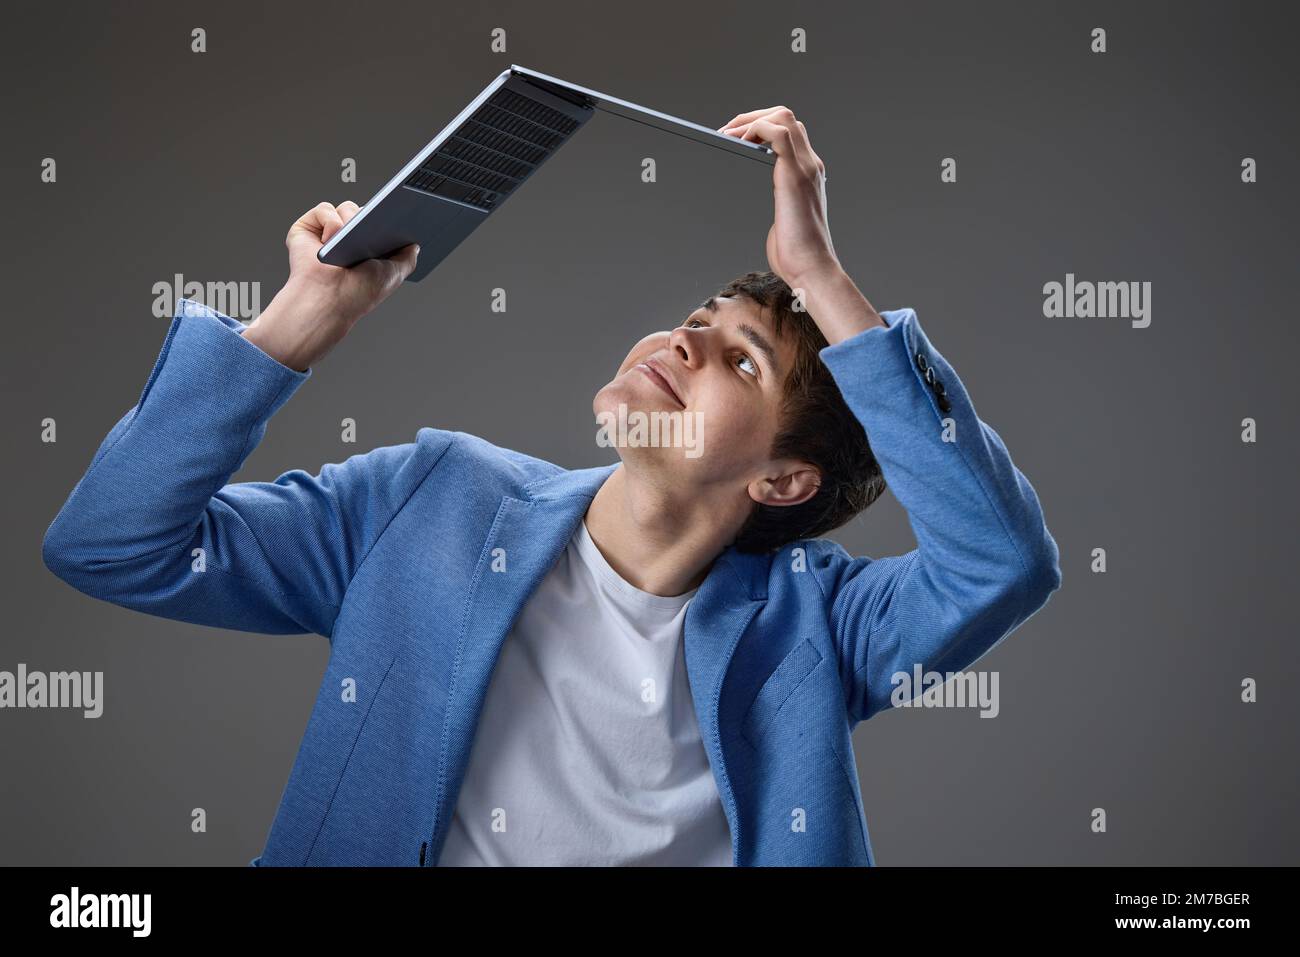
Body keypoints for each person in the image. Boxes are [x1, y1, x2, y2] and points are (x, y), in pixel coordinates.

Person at [42, 106, 1061, 866]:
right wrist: (292, 330)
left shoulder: (822, 625)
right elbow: (110, 546)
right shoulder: (430, 501)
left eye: (741, 363)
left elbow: (1000, 563)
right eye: (696, 321)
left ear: (785, 479)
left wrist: (820, 277)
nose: (688, 340)